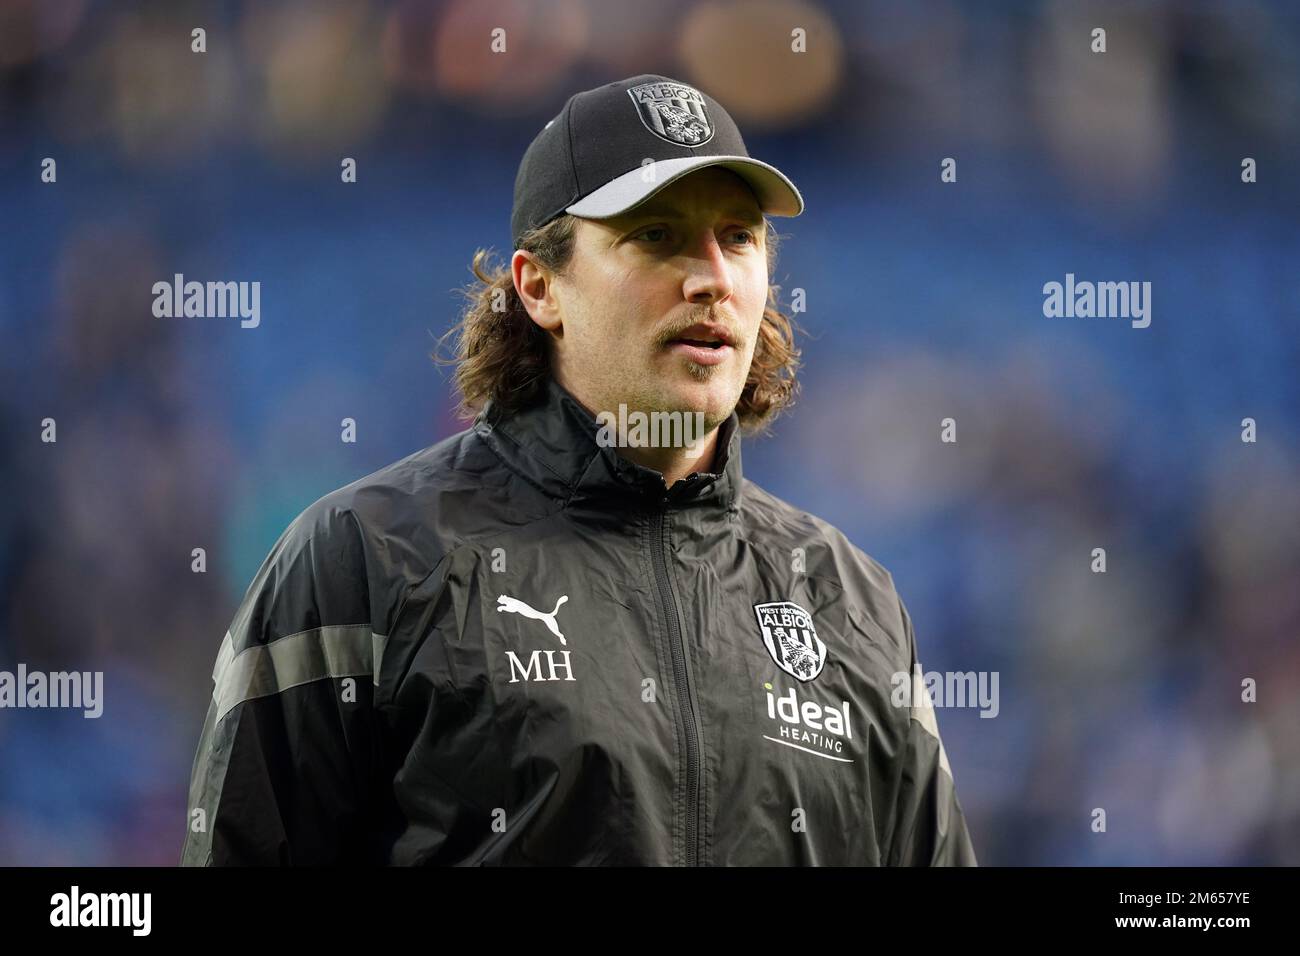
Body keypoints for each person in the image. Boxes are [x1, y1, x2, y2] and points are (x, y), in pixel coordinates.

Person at [180, 74, 977, 866]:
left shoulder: (852, 602)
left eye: (738, 237)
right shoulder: (365, 561)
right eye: (656, 236)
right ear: (538, 287)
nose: (713, 278)